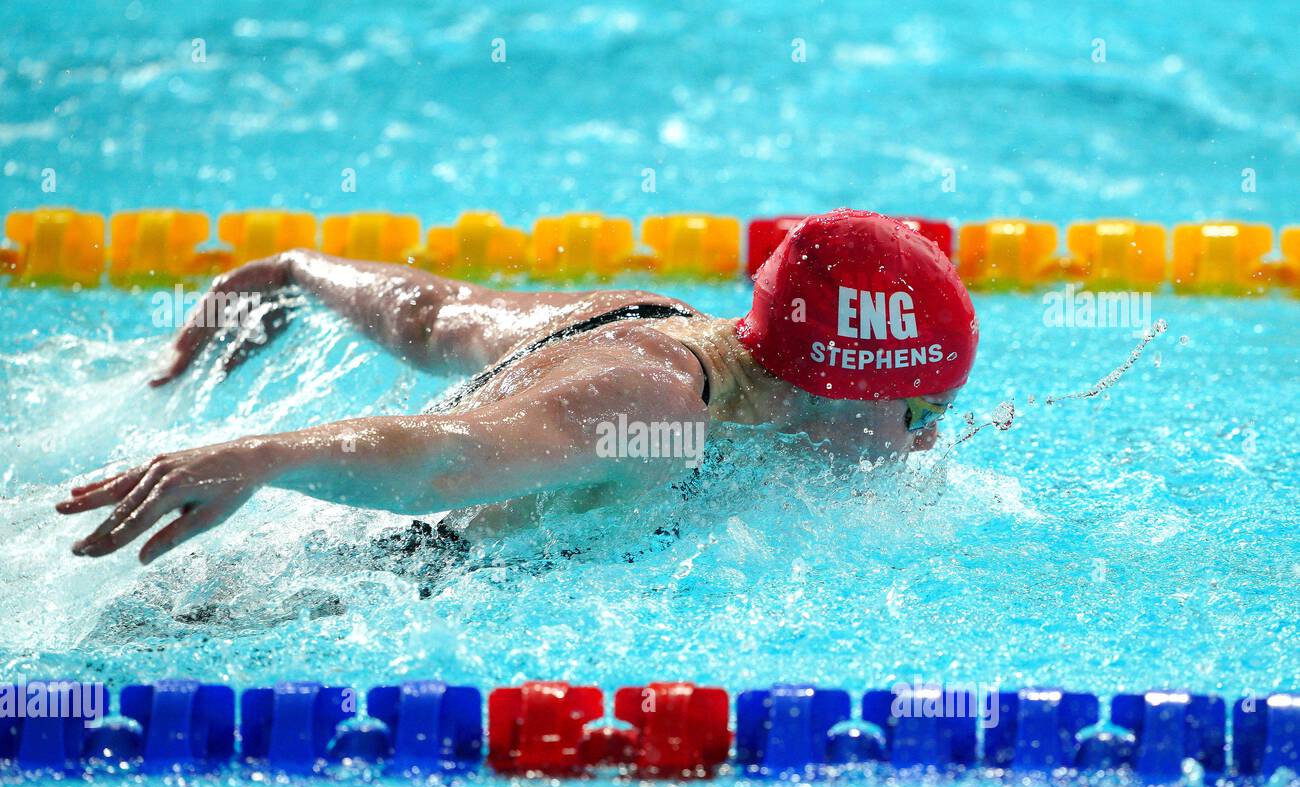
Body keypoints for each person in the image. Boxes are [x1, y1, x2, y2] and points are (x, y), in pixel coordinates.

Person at [56, 209, 978, 565]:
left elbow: (435, 318)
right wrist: (262, 455)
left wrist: (299, 268)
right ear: (841, 383)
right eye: (922, 408)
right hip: (345, 589)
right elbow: (447, 466)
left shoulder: (658, 317)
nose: (930, 440)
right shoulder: (654, 402)